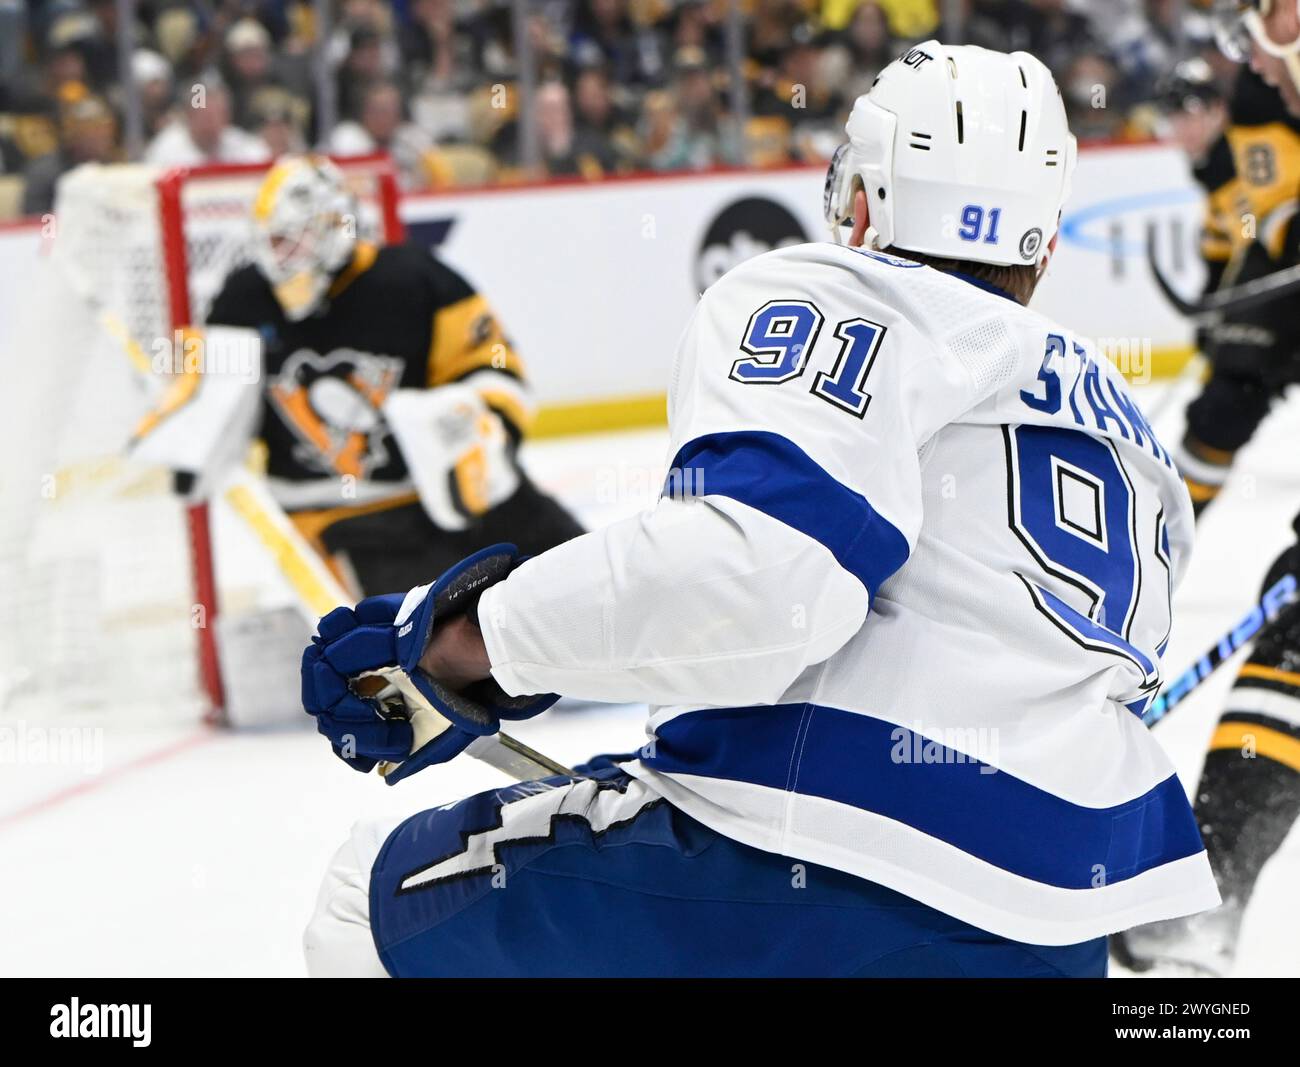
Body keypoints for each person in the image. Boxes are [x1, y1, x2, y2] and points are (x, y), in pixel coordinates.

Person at [300, 43, 1219, 978]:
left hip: (829, 860)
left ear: (863, 203)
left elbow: (758, 575)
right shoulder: (1122, 421)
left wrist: (469, 640)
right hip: (1065, 924)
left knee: (366, 903)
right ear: (1046, 243)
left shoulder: (838, 293)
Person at [143, 155, 583, 598]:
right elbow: (209, 397)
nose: (277, 261)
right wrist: (190, 434)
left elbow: (492, 363)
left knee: (576, 573)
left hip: (454, 492)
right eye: (272, 243)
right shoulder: (245, 299)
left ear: (335, 227)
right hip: (337, 515)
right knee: (449, 634)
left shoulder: (413, 279)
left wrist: (484, 429)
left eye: (291, 242)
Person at [1112, 0, 1300, 977]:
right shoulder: (1258, 114)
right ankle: (1206, 890)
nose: (1260, 57)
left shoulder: (1263, 118)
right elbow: (1260, 239)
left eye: (1272, 22)